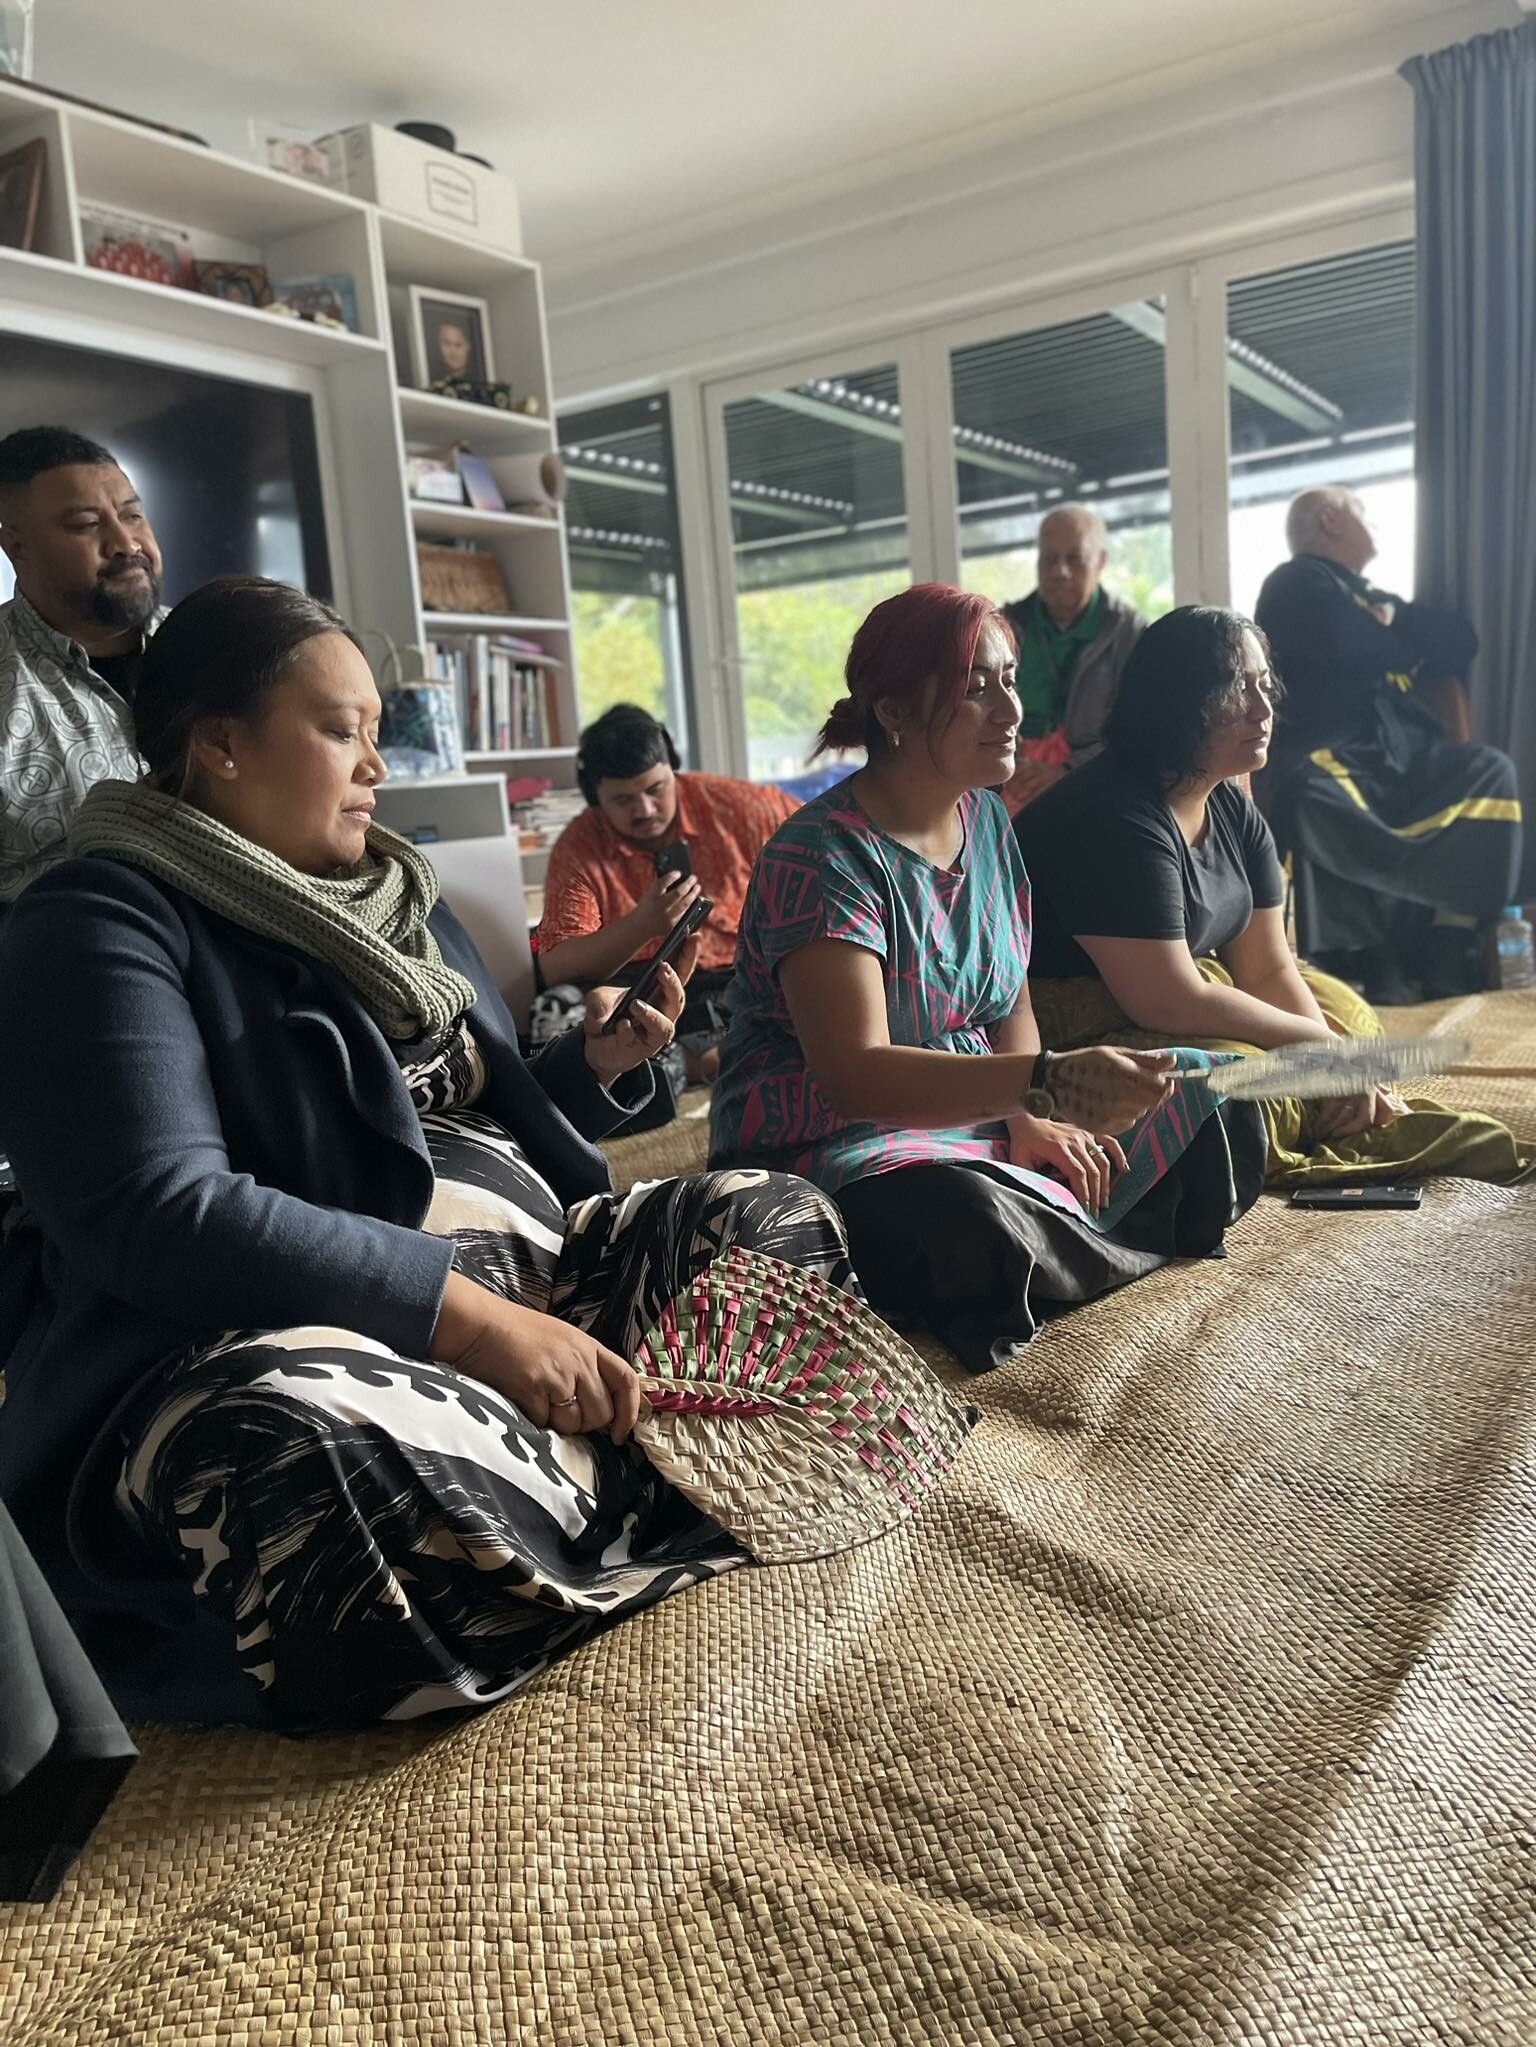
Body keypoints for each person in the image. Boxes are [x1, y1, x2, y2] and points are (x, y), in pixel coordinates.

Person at [0, 576, 951, 1733]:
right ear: (220, 745)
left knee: (771, 1214)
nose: (376, 764)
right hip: (304, 1330)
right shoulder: (98, 921)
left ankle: (550, 1486)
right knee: (295, 1449)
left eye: (374, 731)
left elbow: (460, 1109)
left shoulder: (395, 895)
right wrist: (470, 1324)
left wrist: (591, 1067)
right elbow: (162, 1210)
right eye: (341, 731)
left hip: (536, 1273)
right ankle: (640, 1464)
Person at [708, 584, 1268, 1376]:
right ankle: (1076, 1235)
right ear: (895, 711)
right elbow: (856, 1077)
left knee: (1216, 1096)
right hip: (841, 1143)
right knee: (963, 1216)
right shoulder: (823, 855)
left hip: (982, 1114)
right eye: (977, 688)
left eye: (1009, 680)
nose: (1010, 710)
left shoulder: (988, 819)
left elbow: (1012, 1000)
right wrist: (1043, 1085)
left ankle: (1058, 1244)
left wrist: (1028, 1116)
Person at [1014, 606, 1531, 1187]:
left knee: (1350, 1018)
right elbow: (1168, 1001)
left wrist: (1333, 1057)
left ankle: (1337, 1108)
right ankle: (1328, 1121)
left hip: (1185, 988)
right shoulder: (1112, 816)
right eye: (1238, 689)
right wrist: (1322, 1053)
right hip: (1082, 1019)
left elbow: (1267, 968)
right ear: (1177, 703)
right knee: (1245, 1081)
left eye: (1264, 686)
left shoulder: (1231, 808)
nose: (1263, 710)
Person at [1254, 485, 1522, 1004]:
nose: (1373, 525)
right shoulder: (1295, 583)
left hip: (1405, 755)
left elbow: (1460, 642)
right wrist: (1405, 647)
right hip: (1335, 751)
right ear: (1330, 520)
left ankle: (1450, 940)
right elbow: (1348, 642)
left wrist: (1395, 621)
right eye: (1363, 513)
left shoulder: (1373, 597)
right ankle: (1374, 956)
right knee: (1312, 795)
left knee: (1490, 770)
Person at [535, 702, 799, 1044]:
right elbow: (556, 969)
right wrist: (642, 926)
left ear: (673, 770)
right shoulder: (579, 845)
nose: (645, 810)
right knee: (557, 1010)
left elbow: (825, 844)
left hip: (741, 976)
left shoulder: (739, 806)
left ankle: (702, 1055)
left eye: (655, 789)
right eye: (623, 800)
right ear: (594, 796)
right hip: (636, 988)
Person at [0, 426, 164, 907]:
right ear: (17, 547)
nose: (126, 544)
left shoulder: (223, 648)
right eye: (86, 524)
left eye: (132, 515)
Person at [997, 503, 1147, 815]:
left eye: (1075, 559)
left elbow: (1139, 729)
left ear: (1101, 562)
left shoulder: (1129, 634)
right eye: (1049, 559)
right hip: (1011, 784)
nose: (1060, 572)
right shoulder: (1005, 626)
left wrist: (1066, 771)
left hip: (1097, 790)